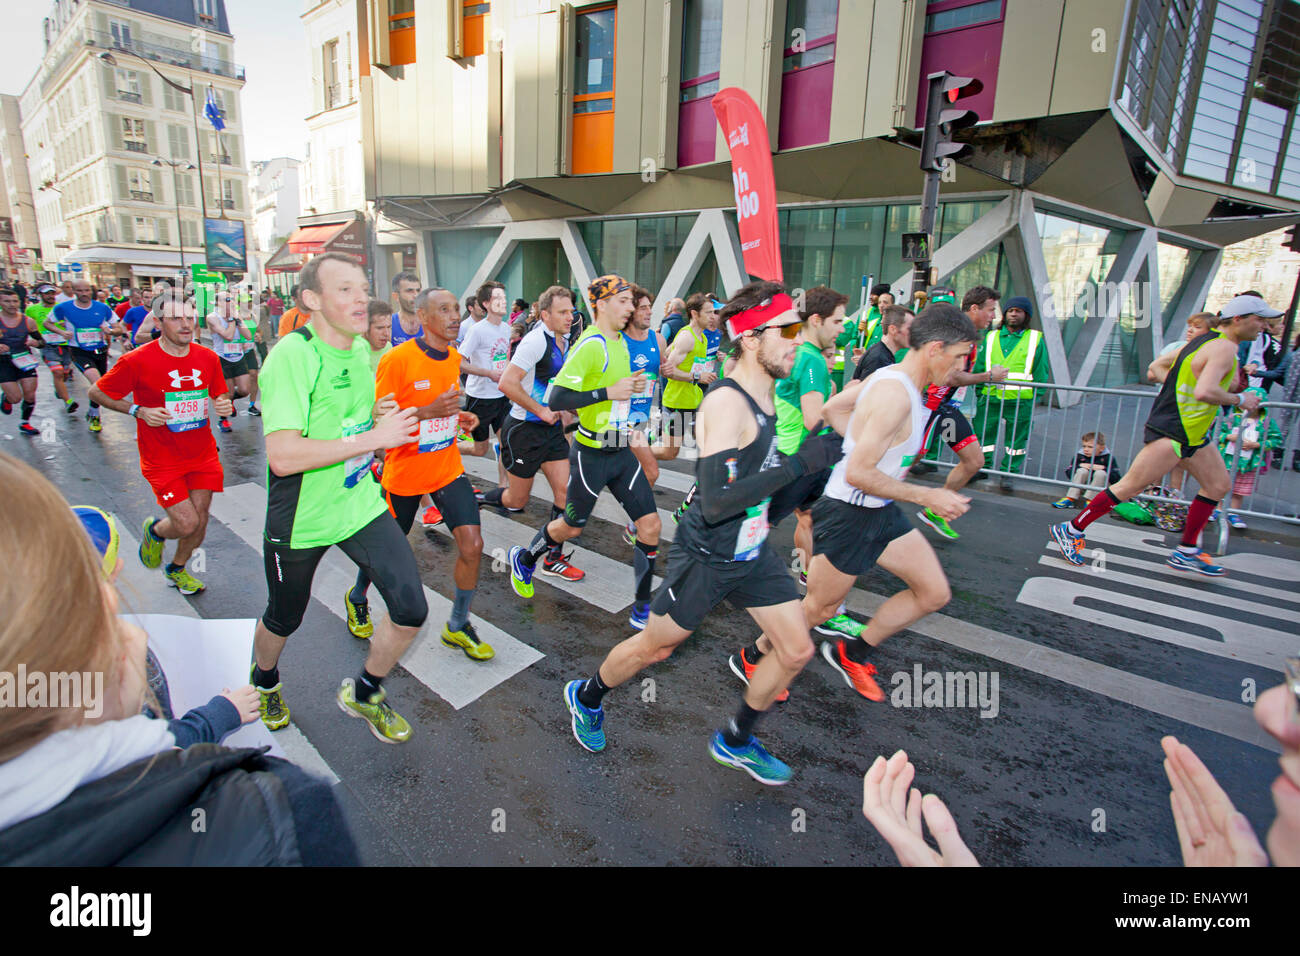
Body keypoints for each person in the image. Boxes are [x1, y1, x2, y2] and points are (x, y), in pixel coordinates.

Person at [0, 456, 359, 866]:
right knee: (188, 522)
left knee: (194, 519)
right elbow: (168, 746)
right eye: (99, 597)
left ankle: (173, 561)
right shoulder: (281, 808)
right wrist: (218, 714)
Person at [564, 281, 840, 784]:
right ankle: (587, 696)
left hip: (750, 548)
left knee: (797, 648)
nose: (798, 341)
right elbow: (714, 502)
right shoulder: (728, 403)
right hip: (709, 553)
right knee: (656, 647)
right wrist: (801, 463)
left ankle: (735, 739)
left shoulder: (767, 391)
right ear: (751, 338)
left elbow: (762, 484)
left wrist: (806, 475)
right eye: (788, 331)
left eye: (800, 329)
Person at [745, 303, 975, 704]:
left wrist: (860, 442)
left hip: (880, 508)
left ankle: (853, 653)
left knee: (933, 593)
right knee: (818, 609)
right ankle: (753, 656)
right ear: (935, 348)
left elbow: (833, 408)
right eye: (958, 358)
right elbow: (857, 473)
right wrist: (928, 495)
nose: (960, 369)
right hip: (848, 513)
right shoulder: (895, 393)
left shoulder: (895, 377)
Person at [251, 251, 426, 743]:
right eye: (345, 289)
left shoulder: (359, 350)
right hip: (301, 518)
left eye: (363, 287)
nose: (361, 298)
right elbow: (283, 456)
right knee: (284, 617)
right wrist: (374, 437)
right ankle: (264, 680)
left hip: (357, 505)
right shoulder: (293, 356)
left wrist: (375, 415)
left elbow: (346, 421)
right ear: (312, 299)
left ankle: (365, 692)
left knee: (411, 609)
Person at [1050, 293, 1277, 577]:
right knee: (1128, 487)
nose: (1264, 326)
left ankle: (1186, 551)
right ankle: (1071, 529)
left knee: (1218, 486)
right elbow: (1204, 391)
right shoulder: (1223, 348)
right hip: (1175, 431)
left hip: (1193, 433)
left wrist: (1183, 385)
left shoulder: (1204, 341)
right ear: (1239, 319)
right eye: (1259, 319)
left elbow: (1157, 368)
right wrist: (1241, 399)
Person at [346, 287, 494, 661]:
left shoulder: (453, 358)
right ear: (423, 317)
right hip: (405, 473)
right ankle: (358, 595)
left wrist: (459, 418)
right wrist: (428, 411)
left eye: (456, 308)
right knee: (385, 552)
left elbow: (443, 410)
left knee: (473, 546)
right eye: (444, 309)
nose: (454, 316)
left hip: (446, 469)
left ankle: (458, 624)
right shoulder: (397, 360)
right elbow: (380, 421)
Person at [507, 275, 661, 629]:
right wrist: (608, 392)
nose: (630, 307)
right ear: (601, 304)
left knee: (651, 525)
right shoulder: (591, 345)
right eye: (623, 301)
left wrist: (632, 386)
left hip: (620, 450)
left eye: (631, 301)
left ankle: (642, 608)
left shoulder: (620, 341)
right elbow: (557, 398)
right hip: (591, 456)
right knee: (572, 526)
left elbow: (613, 389)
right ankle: (526, 558)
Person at [89, 294, 233, 595]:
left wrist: (223, 404)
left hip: (203, 454)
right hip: (162, 458)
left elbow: (220, 395)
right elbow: (97, 392)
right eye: (176, 318)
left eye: (189, 318)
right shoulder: (136, 360)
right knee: (186, 523)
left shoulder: (207, 358)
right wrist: (138, 410)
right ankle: (155, 531)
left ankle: (177, 569)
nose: (185, 324)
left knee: (200, 520)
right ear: (158, 322)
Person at [765, 286, 863, 644]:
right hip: (799, 460)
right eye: (837, 321)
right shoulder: (812, 360)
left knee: (809, 521)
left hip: (791, 456)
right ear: (817, 320)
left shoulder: (795, 350)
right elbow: (813, 420)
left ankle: (817, 595)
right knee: (753, 530)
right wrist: (848, 402)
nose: (842, 328)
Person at [486, 285, 587, 581]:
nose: (570, 317)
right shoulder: (534, 342)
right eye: (562, 312)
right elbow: (506, 383)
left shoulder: (564, 339)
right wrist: (540, 410)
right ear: (545, 315)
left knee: (565, 493)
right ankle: (476, 498)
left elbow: (554, 384)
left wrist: (571, 409)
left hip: (551, 431)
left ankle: (552, 558)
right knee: (516, 501)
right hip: (523, 431)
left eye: (571, 311)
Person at [971, 295, 1049, 492]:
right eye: (1010, 311)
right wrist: (979, 391)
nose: (1014, 314)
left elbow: (1041, 371)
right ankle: (982, 467)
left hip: (1021, 400)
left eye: (1018, 311)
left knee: (1016, 440)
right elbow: (980, 365)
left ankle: (1009, 472)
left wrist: (1035, 397)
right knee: (984, 435)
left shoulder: (1035, 339)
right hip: (990, 396)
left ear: (1026, 315)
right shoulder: (991, 337)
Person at [619, 284, 671, 544]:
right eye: (643, 308)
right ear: (630, 312)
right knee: (651, 471)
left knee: (636, 471)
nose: (649, 312)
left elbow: (665, 369)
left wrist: (672, 370)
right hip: (619, 419)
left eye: (650, 307)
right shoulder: (617, 341)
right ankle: (636, 524)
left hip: (642, 419)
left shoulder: (657, 339)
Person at [459, 280, 513, 492]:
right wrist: (488, 373)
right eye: (497, 298)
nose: (503, 301)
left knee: (506, 442)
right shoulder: (477, 330)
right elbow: (459, 362)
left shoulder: (506, 329)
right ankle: (449, 448)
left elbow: (503, 357)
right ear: (486, 304)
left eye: (504, 297)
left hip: (501, 396)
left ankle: (503, 487)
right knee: (480, 449)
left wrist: (507, 375)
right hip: (480, 398)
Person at [46, 278, 116, 433]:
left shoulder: (102, 307)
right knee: (97, 382)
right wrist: (61, 332)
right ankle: (96, 416)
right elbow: (47, 323)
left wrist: (109, 331)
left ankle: (92, 410)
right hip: (79, 351)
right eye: (80, 290)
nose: (84, 293)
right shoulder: (64, 307)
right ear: (73, 291)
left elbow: (118, 328)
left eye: (87, 290)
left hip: (100, 350)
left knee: (101, 386)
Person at [659, 292, 719, 462]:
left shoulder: (702, 337)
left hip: (693, 400)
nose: (712, 316)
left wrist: (704, 374)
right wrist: (697, 376)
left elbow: (668, 352)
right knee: (669, 453)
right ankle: (635, 454)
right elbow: (668, 371)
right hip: (678, 404)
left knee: (709, 441)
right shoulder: (687, 337)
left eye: (713, 312)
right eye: (708, 312)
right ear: (694, 314)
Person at [1216, 387, 1281, 530]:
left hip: (1249, 463)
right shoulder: (1232, 418)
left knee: (1239, 490)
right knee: (1221, 485)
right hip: (1226, 460)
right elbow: (1218, 432)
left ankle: (1233, 512)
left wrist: (1257, 444)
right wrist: (1228, 436)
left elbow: (1276, 440)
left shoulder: (1266, 423)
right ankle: (1218, 509)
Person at [0, 287, 46, 436]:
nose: (12, 304)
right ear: (1, 303)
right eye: (7, 301)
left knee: (30, 395)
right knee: (15, 398)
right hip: (3, 362)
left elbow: (42, 342)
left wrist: (35, 343)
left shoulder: (28, 321)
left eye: (15, 301)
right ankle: (7, 398)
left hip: (24, 359)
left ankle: (25, 423)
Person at [206, 290, 253, 434]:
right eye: (226, 300)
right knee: (228, 392)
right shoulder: (213, 317)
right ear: (218, 303)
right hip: (222, 358)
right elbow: (228, 336)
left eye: (231, 299)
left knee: (245, 390)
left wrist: (238, 320)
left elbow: (248, 335)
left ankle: (230, 402)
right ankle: (223, 420)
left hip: (238, 356)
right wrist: (232, 320)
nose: (230, 302)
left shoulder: (237, 316)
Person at [1052, 432, 1122, 509]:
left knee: (1100, 473)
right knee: (1082, 471)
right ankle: (1070, 498)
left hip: (1100, 490)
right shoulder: (1080, 456)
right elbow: (1069, 473)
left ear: (1102, 448)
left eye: (1090, 447)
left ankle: (1090, 501)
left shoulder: (1108, 458)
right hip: (1083, 487)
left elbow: (1116, 478)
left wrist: (1104, 469)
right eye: (1084, 446)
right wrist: (1079, 466)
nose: (1086, 449)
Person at [853, 303, 912, 381]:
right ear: (893, 329)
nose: (913, 332)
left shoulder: (883, 356)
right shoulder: (879, 360)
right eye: (909, 328)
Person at [389, 270, 422, 347]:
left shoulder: (432, 323)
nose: (416, 295)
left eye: (418, 290)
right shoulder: (389, 325)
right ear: (396, 296)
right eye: (409, 291)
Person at [364, 298, 394, 374]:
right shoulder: (353, 351)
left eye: (389, 327)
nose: (386, 333)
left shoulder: (389, 348)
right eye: (380, 328)